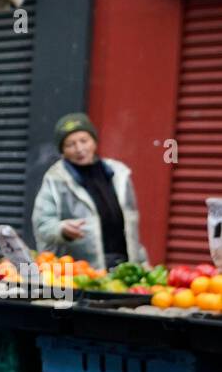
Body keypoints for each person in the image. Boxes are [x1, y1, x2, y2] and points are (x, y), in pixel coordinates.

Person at [32, 112, 147, 269]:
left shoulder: (119, 174)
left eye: (84, 141)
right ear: (62, 150)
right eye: (70, 144)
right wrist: (62, 230)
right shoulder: (55, 179)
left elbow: (132, 226)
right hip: (80, 273)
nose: (79, 149)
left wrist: (142, 264)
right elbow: (43, 225)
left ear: (94, 141)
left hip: (124, 268)